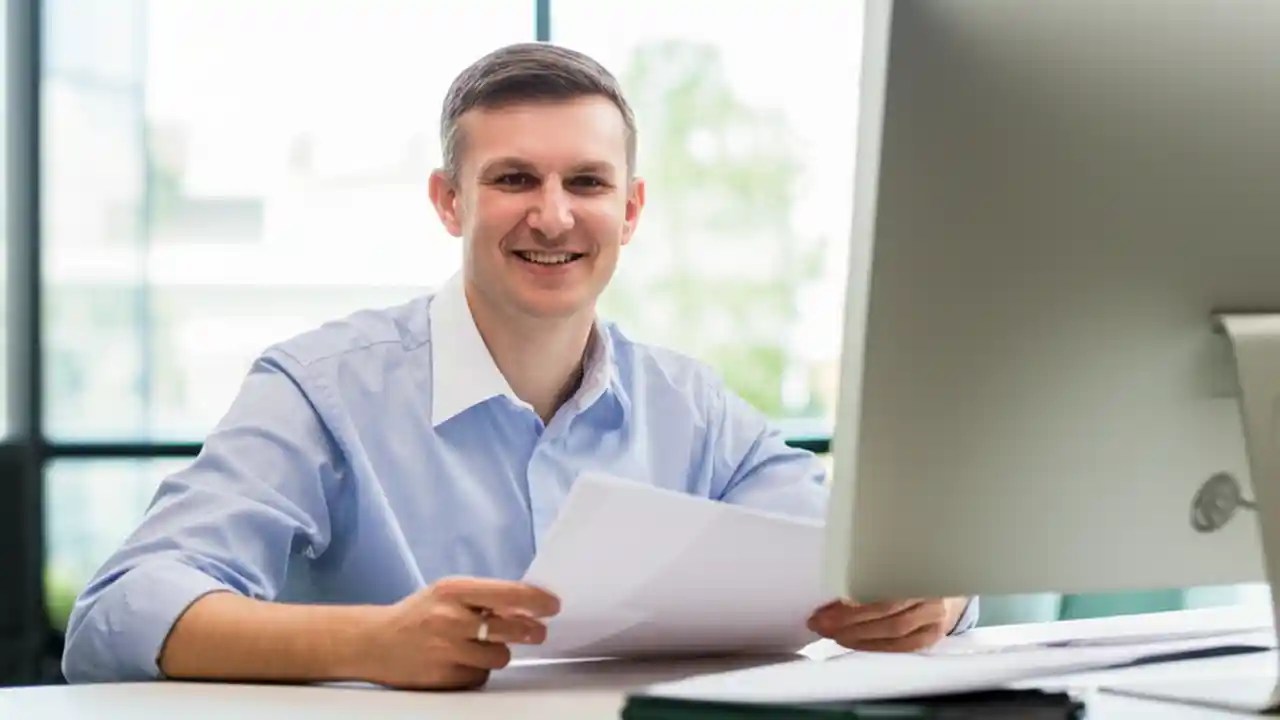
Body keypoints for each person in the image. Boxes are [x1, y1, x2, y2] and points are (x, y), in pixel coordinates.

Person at [62, 42, 976, 690]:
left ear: (632, 207)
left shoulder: (690, 406)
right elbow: (119, 615)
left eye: (586, 182)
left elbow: (853, 561)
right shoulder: (321, 387)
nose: (552, 216)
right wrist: (372, 642)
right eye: (512, 180)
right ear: (448, 201)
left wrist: (931, 596)